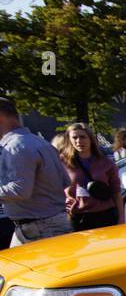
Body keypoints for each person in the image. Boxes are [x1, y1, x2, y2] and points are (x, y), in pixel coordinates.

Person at [0, 96, 72, 246]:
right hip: (42, 225)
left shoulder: (16, 146)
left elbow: (20, 190)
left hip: (40, 230)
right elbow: (65, 182)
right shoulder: (41, 142)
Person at [61, 122, 124, 230]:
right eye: (74, 137)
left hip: (104, 214)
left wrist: (121, 218)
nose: (79, 141)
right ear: (69, 140)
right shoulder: (64, 162)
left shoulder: (105, 162)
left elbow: (116, 192)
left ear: (90, 139)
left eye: (82, 137)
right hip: (78, 216)